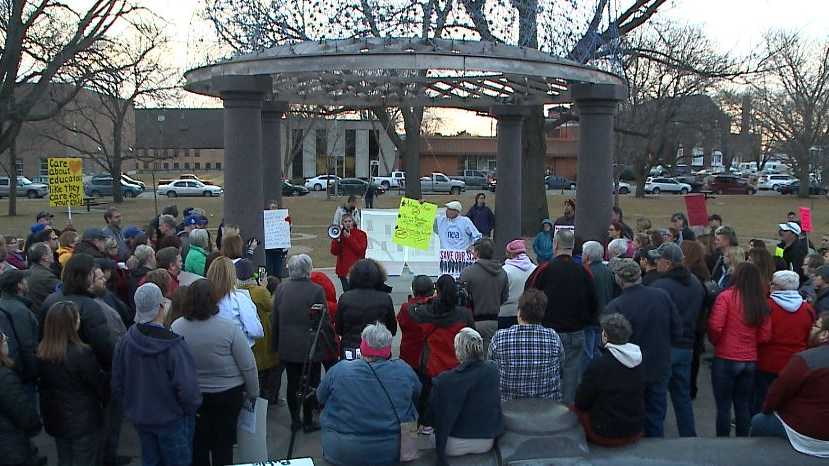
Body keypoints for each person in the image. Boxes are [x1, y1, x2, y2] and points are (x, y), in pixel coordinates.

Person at [171, 279, 259, 465]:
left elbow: (173, 364)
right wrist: (253, 393)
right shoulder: (229, 327)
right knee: (223, 446)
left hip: (193, 395)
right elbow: (248, 365)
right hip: (227, 396)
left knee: (198, 445)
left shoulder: (177, 327)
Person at [112, 283, 201, 466]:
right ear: (161, 306)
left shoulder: (125, 341)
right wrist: (188, 410)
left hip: (142, 418)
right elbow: (188, 390)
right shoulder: (174, 346)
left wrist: (132, 408)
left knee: (150, 461)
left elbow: (118, 383)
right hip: (172, 421)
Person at [317, 322, 420, 466]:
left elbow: (320, 397)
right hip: (393, 450)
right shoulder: (404, 370)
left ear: (363, 346)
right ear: (388, 348)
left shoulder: (340, 370)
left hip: (341, 451)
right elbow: (417, 395)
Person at [605, 258, 681, 438]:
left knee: (631, 414)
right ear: (639, 274)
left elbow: (609, 345)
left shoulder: (616, 306)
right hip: (659, 364)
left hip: (630, 369)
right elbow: (677, 330)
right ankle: (655, 445)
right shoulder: (661, 296)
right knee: (656, 414)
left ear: (619, 279)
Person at [528, 228, 597, 404]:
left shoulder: (544, 270)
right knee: (572, 375)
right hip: (576, 331)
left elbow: (529, 297)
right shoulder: (584, 271)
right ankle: (568, 410)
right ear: (572, 246)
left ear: (555, 244)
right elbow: (593, 301)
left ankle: (549, 408)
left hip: (549, 331)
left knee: (547, 373)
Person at [37, 301, 105, 466]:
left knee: (64, 458)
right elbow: (97, 384)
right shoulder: (82, 353)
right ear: (72, 323)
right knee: (85, 458)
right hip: (83, 419)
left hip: (56, 417)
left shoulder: (41, 352)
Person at [750, 314, 829, 457]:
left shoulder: (806, 359)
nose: (811, 329)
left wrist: (768, 410)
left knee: (759, 421)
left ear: (825, 334)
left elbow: (776, 394)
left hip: (808, 437)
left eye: (816, 326)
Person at [708, 262, 772, 437]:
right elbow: (765, 335)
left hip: (726, 356)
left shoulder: (726, 297)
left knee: (723, 406)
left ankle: (722, 441)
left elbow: (715, 326)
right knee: (742, 405)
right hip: (749, 359)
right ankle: (742, 442)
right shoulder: (761, 301)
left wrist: (717, 342)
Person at [403, 275, 475, 428]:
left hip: (432, 364)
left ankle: (426, 424)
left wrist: (429, 300)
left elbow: (409, 309)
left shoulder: (425, 313)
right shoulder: (464, 314)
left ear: (437, 291)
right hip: (456, 363)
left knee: (428, 396)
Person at [649, 242, 705, 437]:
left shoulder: (659, 286)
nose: (655, 263)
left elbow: (655, 319)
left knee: (657, 398)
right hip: (687, 347)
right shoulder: (696, 283)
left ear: (667, 263)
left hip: (666, 347)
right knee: (682, 397)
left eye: (658, 259)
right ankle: (688, 436)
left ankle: (656, 439)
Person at [271, 254, 332, 432]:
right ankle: (307, 420)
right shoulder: (316, 290)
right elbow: (323, 320)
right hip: (310, 347)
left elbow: (275, 319)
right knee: (311, 384)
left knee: (292, 383)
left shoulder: (281, 289)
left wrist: (275, 345)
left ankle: (295, 420)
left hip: (288, 346)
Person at [429, 328, 503, 465]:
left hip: (451, 444)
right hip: (486, 441)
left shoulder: (444, 380)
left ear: (458, 351)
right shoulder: (492, 369)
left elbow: (432, 416)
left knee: (429, 436)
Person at [574, 313, 644, 447]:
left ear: (605, 336)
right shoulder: (638, 360)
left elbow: (581, 402)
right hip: (635, 428)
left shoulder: (599, 366)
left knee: (572, 410)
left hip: (605, 432)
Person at [754, 271, 815, 415]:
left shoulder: (767, 306)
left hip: (767, 361)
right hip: (796, 362)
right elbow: (810, 336)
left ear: (778, 287)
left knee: (762, 399)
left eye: (772, 284)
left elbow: (760, 333)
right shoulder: (807, 309)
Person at [40, 254, 115, 370]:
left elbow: (42, 335)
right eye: (92, 274)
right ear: (85, 276)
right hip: (85, 368)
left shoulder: (50, 300)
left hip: (52, 366)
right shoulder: (90, 306)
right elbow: (103, 345)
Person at [490, 289, 563, 401]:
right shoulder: (553, 337)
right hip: (547, 404)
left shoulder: (499, 338)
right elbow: (560, 366)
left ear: (519, 311)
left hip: (508, 403)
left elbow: (491, 368)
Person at [235, 259, 280, 404]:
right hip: (262, 336)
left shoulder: (234, 291)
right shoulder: (259, 292)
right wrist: (265, 288)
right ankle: (268, 399)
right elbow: (271, 306)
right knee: (268, 369)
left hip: (244, 339)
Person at [336, 258, 397, 359]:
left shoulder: (345, 298)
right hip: (377, 350)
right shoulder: (385, 298)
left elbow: (339, 329)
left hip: (351, 350)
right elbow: (392, 329)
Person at [0, 330, 42, 466]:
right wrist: (34, 425)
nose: (6, 342)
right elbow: (24, 414)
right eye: (4, 339)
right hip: (10, 447)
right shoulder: (4, 378)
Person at [459, 238, 508, 351]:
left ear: (477, 252)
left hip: (472, 322)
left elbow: (462, 299)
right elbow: (504, 298)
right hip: (494, 322)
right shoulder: (502, 273)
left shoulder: (467, 272)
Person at [681, 240, 714, 400]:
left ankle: (688, 387)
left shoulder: (692, 274)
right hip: (699, 321)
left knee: (690, 357)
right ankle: (691, 387)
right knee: (694, 357)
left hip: (692, 320)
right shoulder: (703, 271)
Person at [207, 257, 264, 347]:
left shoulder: (204, 299)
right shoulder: (239, 299)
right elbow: (255, 331)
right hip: (238, 349)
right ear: (232, 276)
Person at [0, 270, 39, 387]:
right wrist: (34, 373)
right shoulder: (20, 311)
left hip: (10, 370)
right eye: (24, 280)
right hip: (23, 374)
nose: (27, 282)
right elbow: (27, 345)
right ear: (19, 285)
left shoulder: (3, 304)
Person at [583, 240, 616, 368]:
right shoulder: (608, 271)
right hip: (605, 316)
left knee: (589, 353)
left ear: (587, 256)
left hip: (591, 319)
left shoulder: (587, 273)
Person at [397, 275, 435, 372]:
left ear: (414, 291)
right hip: (430, 358)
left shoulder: (406, 308)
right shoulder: (435, 308)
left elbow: (401, 323)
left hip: (409, 356)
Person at [499, 239, 537, 329]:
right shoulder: (535, 269)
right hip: (528, 313)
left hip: (505, 313)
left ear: (510, 254)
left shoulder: (504, 270)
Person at [330, 212, 368, 292]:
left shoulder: (361, 234)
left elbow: (360, 251)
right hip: (343, 271)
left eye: (349, 221)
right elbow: (334, 252)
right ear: (342, 223)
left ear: (353, 222)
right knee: (347, 293)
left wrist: (349, 238)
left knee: (357, 293)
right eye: (345, 221)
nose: (348, 223)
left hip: (357, 271)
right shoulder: (339, 234)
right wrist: (337, 241)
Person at [23, 242, 60, 312]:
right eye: (50, 252)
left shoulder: (28, 272)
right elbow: (63, 293)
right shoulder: (47, 277)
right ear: (45, 257)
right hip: (44, 314)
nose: (52, 254)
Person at [264, 200, 290, 278]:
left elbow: (287, 231)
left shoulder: (282, 218)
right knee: (269, 270)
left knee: (278, 271)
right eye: (272, 207)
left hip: (279, 250)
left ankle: (277, 283)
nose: (273, 209)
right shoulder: (265, 218)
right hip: (268, 250)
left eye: (275, 207)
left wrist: (288, 224)